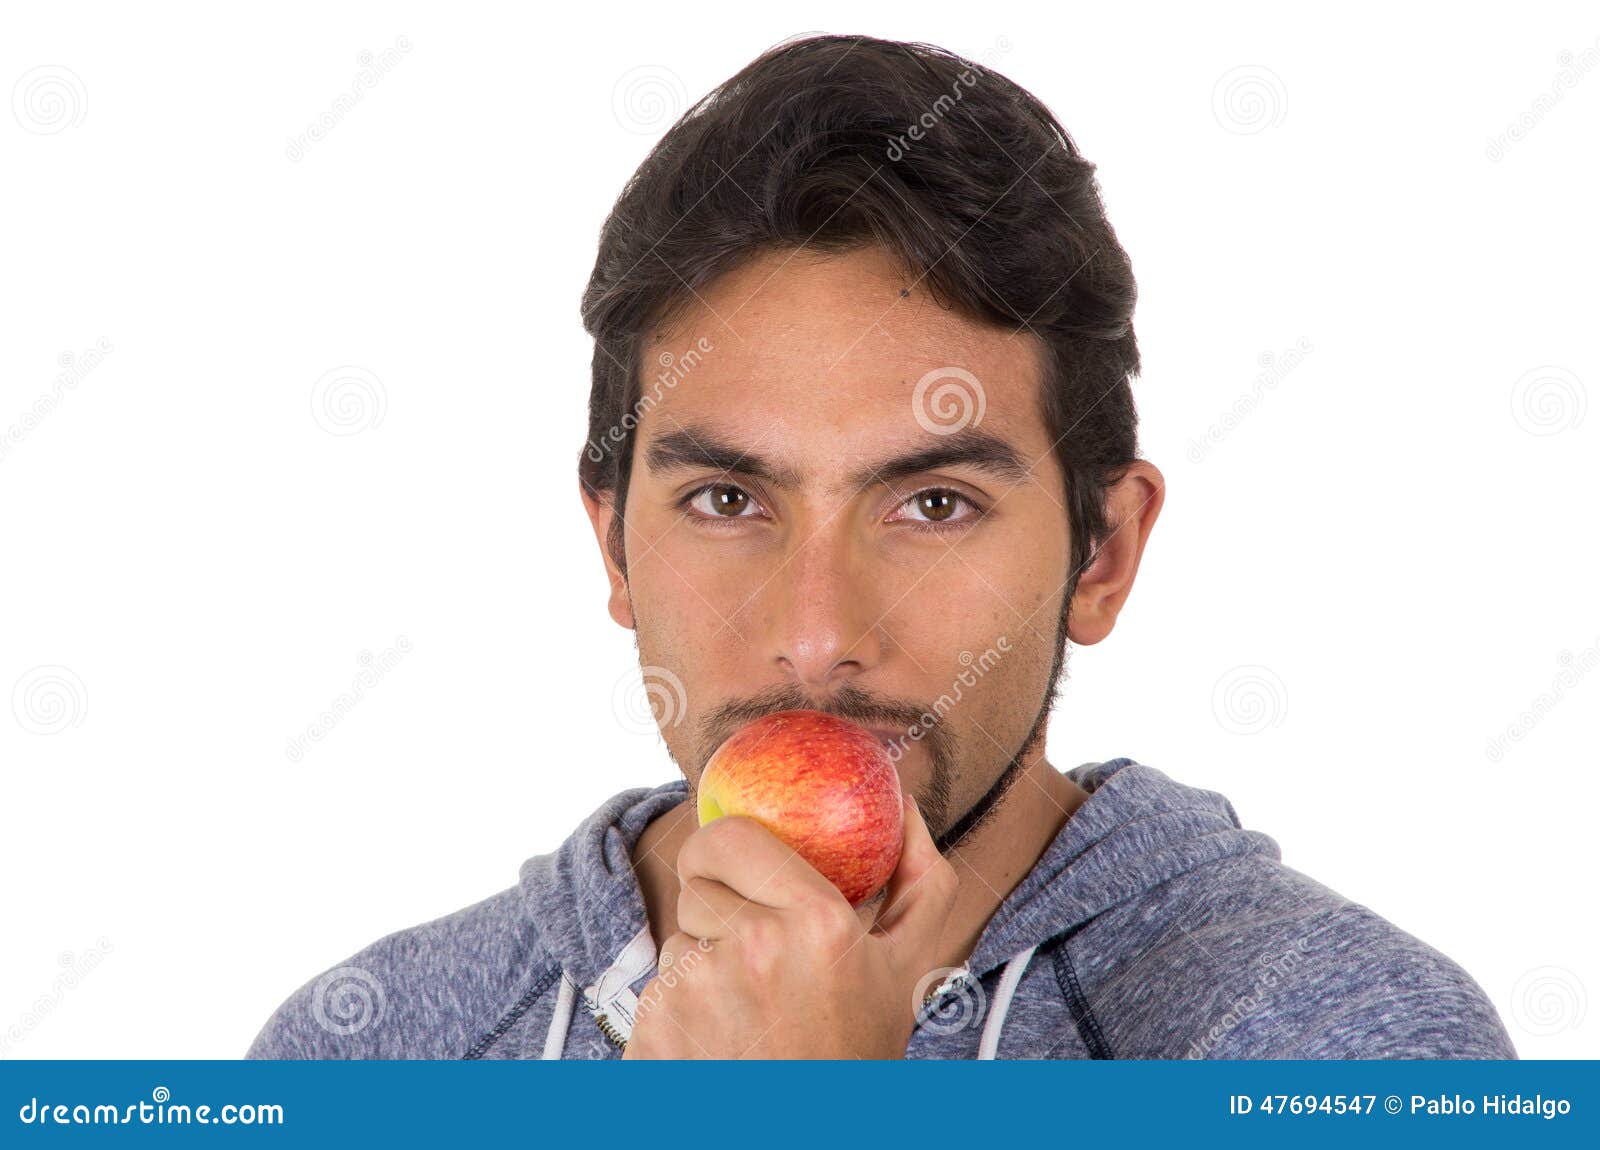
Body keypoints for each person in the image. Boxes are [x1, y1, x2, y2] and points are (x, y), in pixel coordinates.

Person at [248, 34, 1515, 1060]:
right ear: (614, 552)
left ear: (1102, 555)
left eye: (932, 505)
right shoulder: (364, 1058)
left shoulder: (1341, 1046)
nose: (816, 637)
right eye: (728, 502)